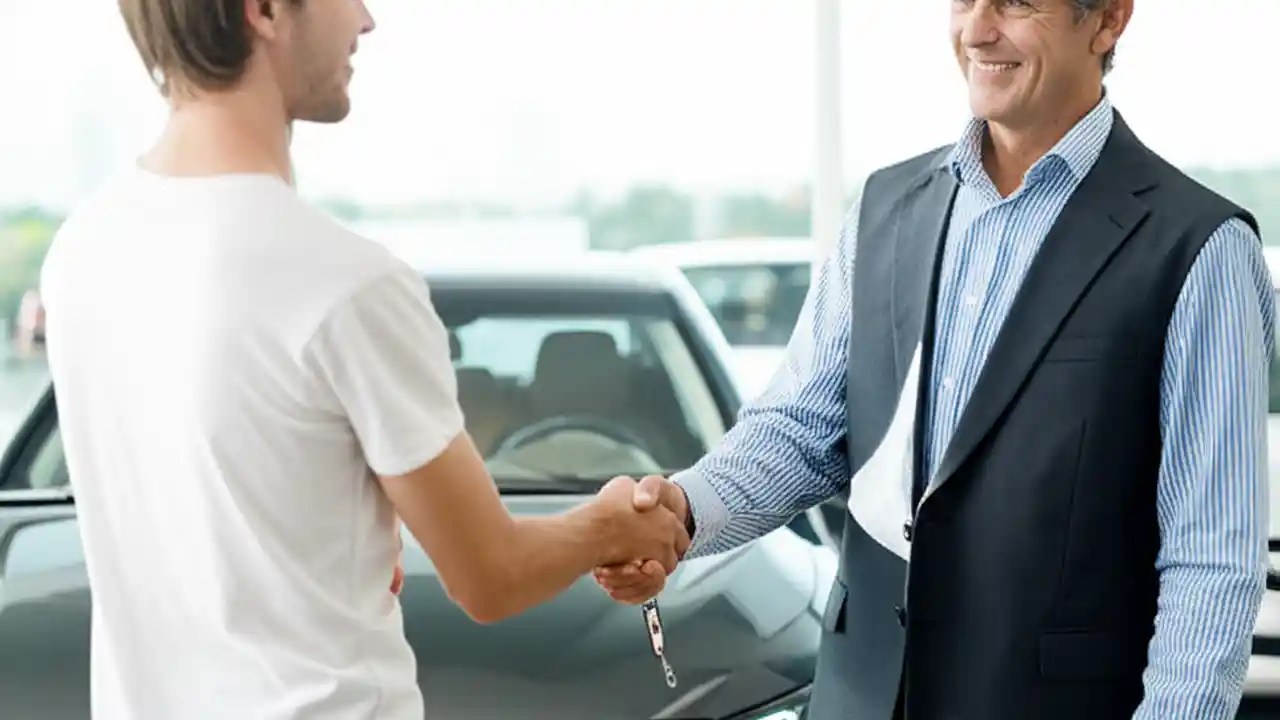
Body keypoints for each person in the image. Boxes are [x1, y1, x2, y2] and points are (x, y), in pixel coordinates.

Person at [596, 1, 1273, 718]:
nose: (977, 29)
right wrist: (682, 512)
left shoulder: (1199, 250)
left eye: (1015, 3)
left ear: (1107, 18)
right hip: (858, 696)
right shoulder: (887, 206)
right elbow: (800, 432)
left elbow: (1213, 565)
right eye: (963, 0)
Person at [39, 1, 688, 719]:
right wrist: (610, 525)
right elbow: (490, 576)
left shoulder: (82, 250)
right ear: (263, 11)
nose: (367, 20)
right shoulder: (345, 283)